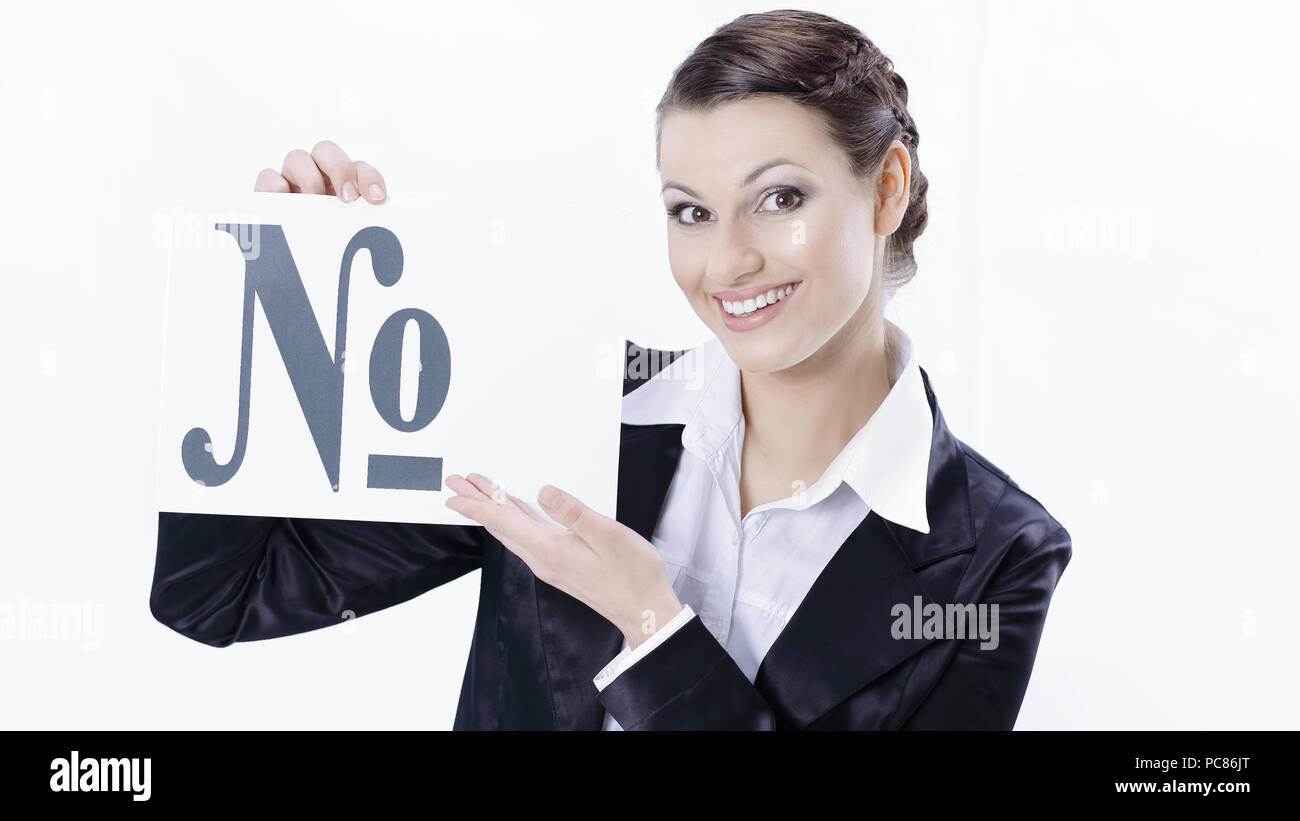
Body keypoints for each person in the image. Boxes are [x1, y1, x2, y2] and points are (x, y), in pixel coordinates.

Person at [150, 9, 1071, 730]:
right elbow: (219, 595)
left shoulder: (994, 562)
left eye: (778, 198)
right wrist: (266, 317)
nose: (727, 264)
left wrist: (654, 633)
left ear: (887, 188)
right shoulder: (570, 404)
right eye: (690, 210)